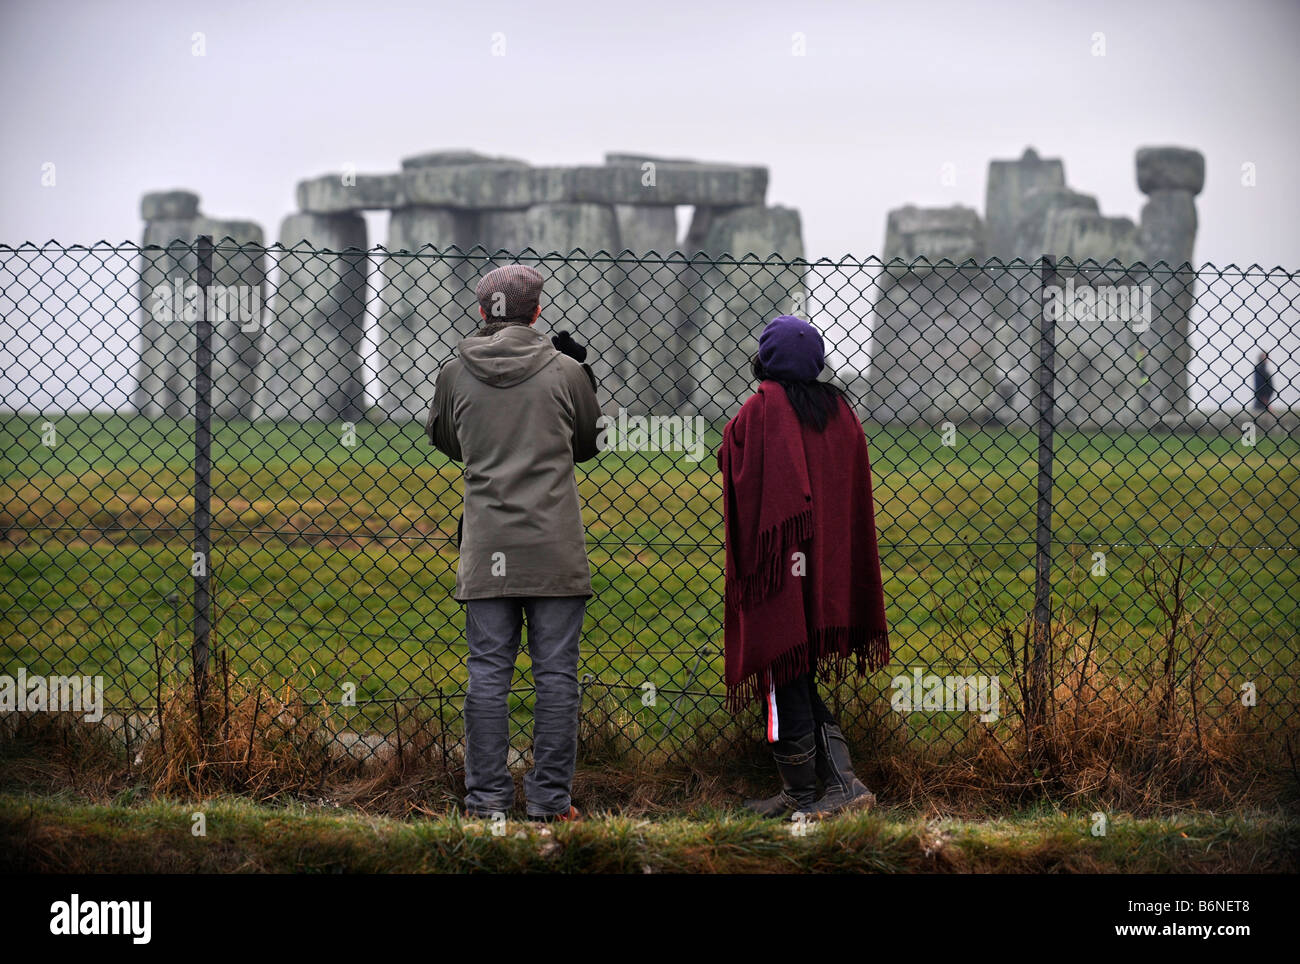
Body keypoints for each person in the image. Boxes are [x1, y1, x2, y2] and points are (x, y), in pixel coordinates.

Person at [425, 263, 601, 822]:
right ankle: (550, 803)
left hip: (486, 547)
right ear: (539, 311)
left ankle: (487, 802)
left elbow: (448, 442)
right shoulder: (565, 370)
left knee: (487, 674)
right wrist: (584, 375)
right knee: (555, 676)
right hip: (553, 547)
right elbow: (589, 444)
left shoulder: (455, 373)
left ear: (483, 312)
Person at [718, 315, 890, 819]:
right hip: (821, 571)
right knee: (800, 672)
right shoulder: (839, 410)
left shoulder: (762, 411)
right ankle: (841, 784)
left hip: (776, 573)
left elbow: (735, 462)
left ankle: (804, 794)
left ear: (765, 359)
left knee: (782, 669)